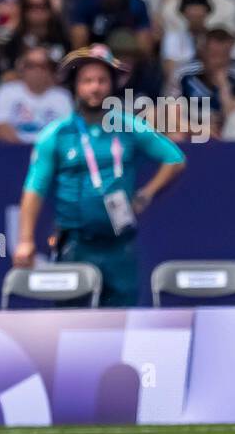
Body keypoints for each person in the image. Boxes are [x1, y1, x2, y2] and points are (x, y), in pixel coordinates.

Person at [13, 45, 186, 307]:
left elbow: (175, 159)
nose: (95, 88)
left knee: (122, 322)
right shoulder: (57, 134)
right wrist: (25, 240)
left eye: (102, 80)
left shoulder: (128, 126)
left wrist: (146, 194)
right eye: (87, 81)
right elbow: (34, 188)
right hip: (75, 244)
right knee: (71, 324)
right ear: (76, 86)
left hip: (120, 245)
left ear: (113, 85)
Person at [0, 46, 73, 143]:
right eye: (31, 65)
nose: (36, 71)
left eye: (42, 66)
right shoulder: (7, 91)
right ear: (22, 68)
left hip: (50, 152)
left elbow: (67, 131)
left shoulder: (62, 97)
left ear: (50, 70)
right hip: (15, 150)